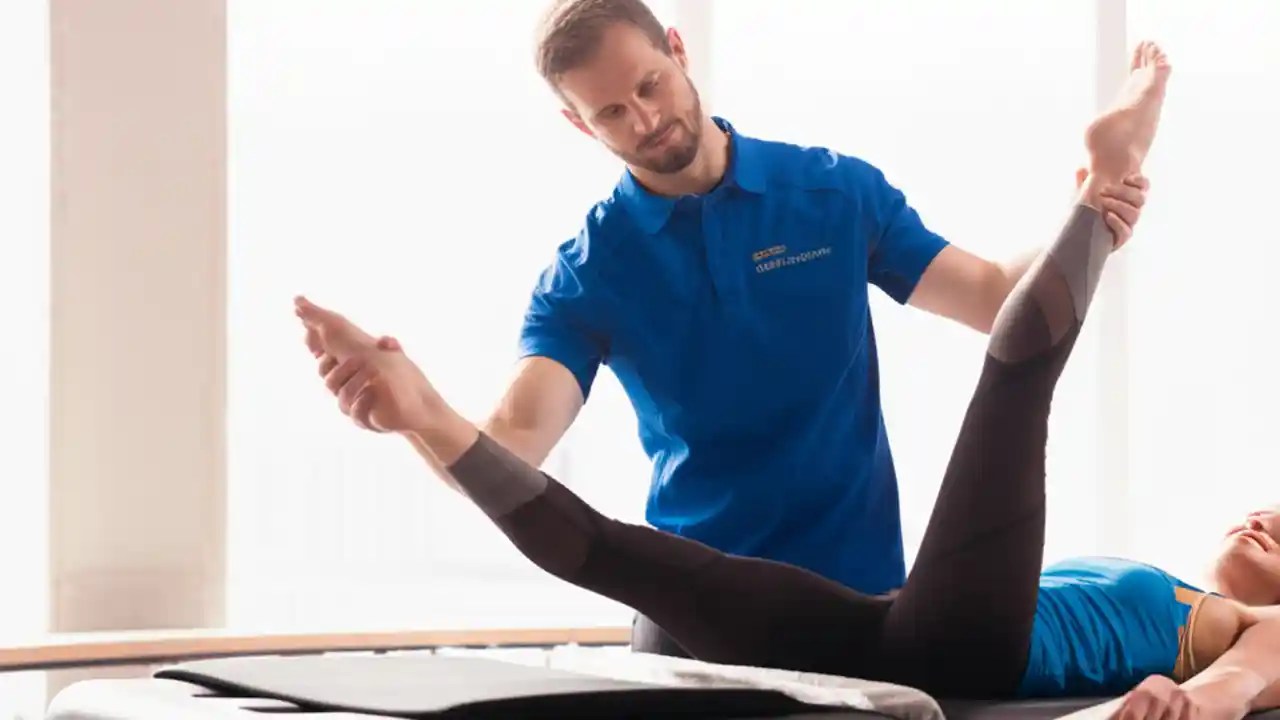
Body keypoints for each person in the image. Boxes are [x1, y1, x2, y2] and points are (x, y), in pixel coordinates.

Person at [296, 42, 1280, 720]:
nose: (643, 118)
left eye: (648, 85)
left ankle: (1097, 182)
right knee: (610, 553)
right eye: (609, 111)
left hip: (878, 617)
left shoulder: (829, 191)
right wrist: (412, 421)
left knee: (1010, 387)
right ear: (574, 122)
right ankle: (414, 396)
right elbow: (511, 443)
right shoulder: (587, 272)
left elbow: (989, 297)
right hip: (723, 625)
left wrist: (1088, 211)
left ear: (678, 52)